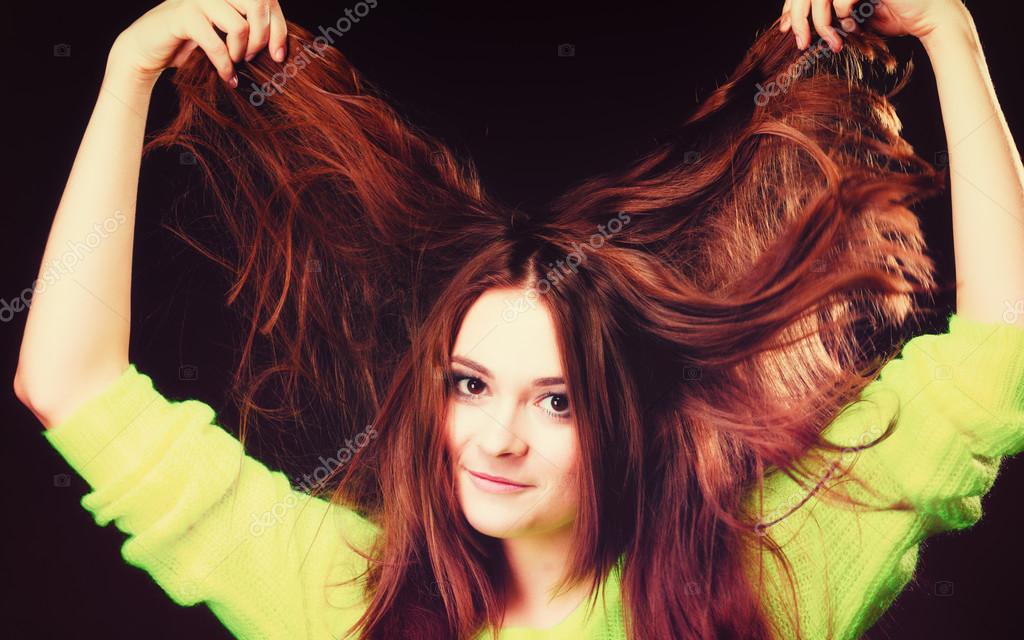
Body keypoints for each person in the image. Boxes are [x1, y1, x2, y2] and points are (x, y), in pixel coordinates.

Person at [14, 0, 1024, 638]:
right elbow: (67, 382)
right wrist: (128, 73)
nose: (495, 436)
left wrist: (951, 33)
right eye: (470, 384)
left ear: (627, 418)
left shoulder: (774, 580)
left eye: (556, 400)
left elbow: (1004, 350)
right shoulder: (342, 599)